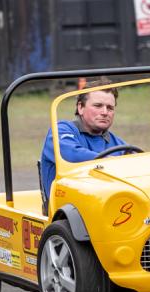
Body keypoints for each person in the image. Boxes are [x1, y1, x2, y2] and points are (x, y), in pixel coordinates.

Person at [39, 78, 128, 210]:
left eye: (110, 108)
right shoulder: (61, 130)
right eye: (98, 106)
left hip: (109, 211)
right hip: (65, 216)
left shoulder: (119, 144)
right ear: (80, 107)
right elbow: (71, 156)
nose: (104, 112)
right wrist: (112, 162)